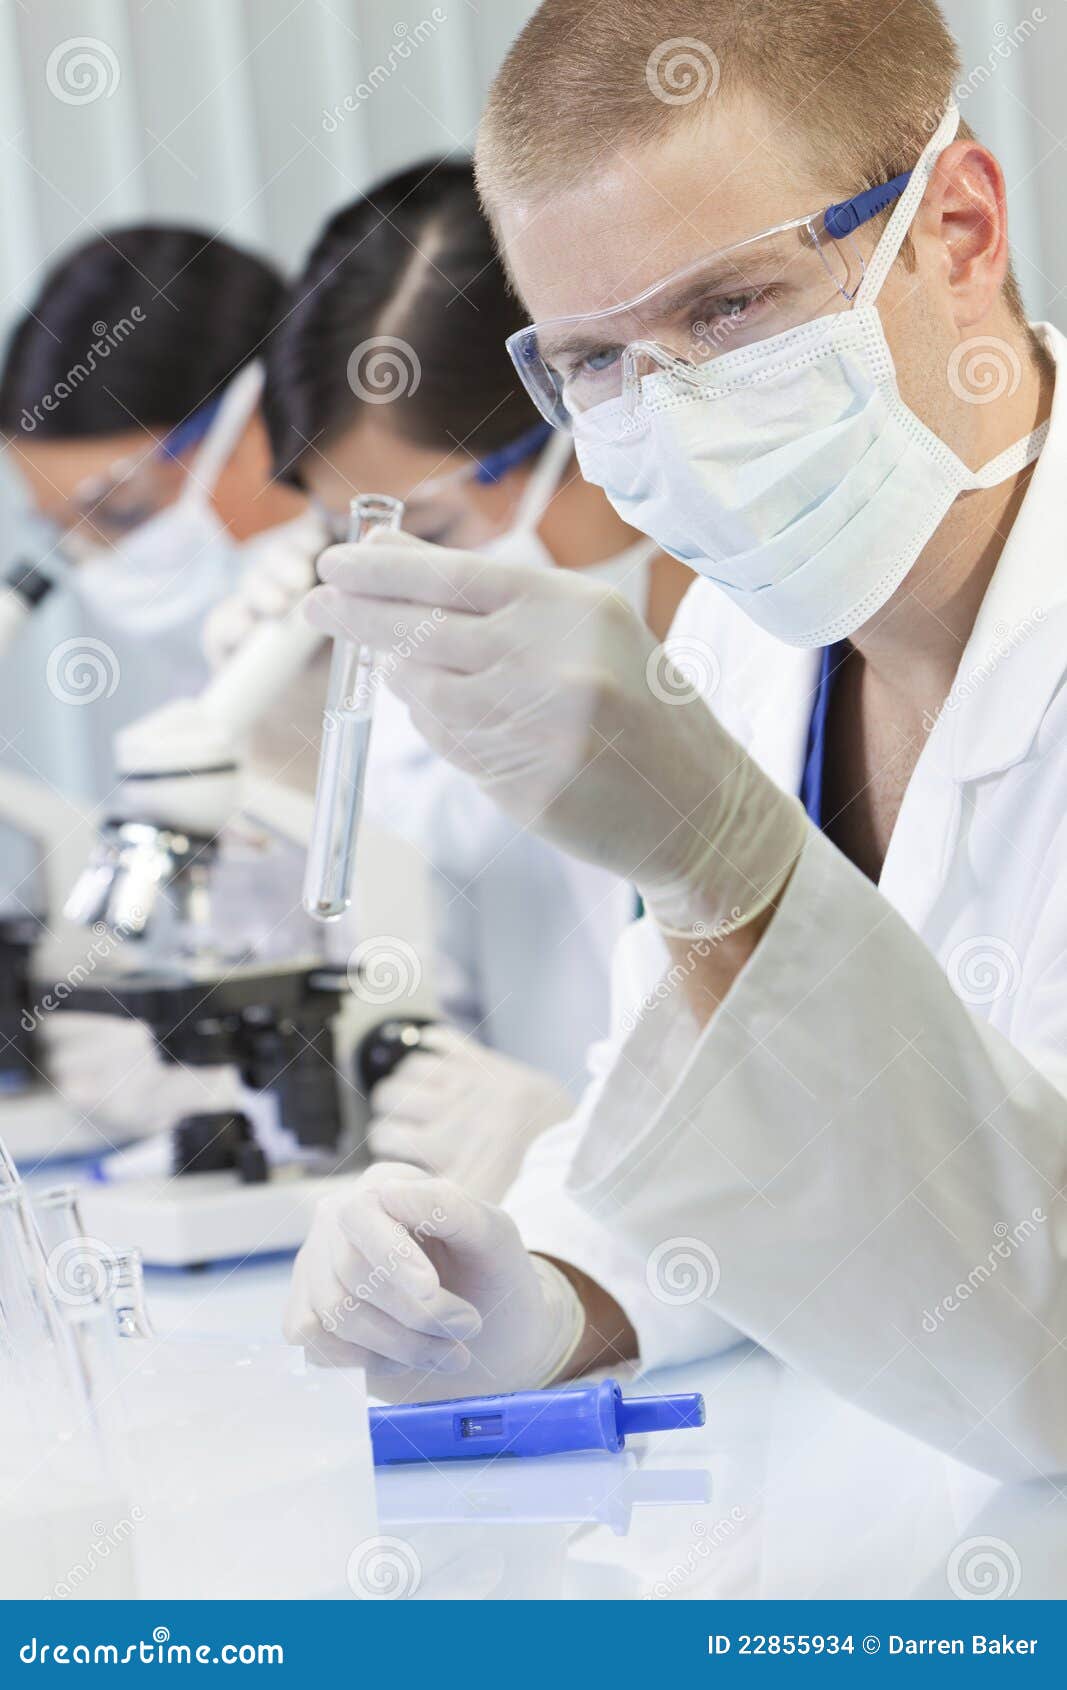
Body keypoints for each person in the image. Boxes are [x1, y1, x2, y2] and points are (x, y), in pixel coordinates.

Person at [284, 0, 1067, 1482]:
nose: (669, 415)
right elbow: (734, 1186)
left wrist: (727, 866)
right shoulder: (736, 634)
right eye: (590, 358)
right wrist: (531, 1301)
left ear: (955, 229)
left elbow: (1046, 1352)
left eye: (725, 310)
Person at [208, 159, 691, 1200]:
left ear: (581, 413)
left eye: (420, 527)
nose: (396, 576)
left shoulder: (792, 661)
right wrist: (291, 777)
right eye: (350, 533)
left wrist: (604, 1155)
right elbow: (401, 1029)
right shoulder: (438, 699)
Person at [0, 226, 318, 1149]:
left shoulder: (406, 621)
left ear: (259, 417)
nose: (102, 557)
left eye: (122, 511)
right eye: (66, 529)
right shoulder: (200, 658)